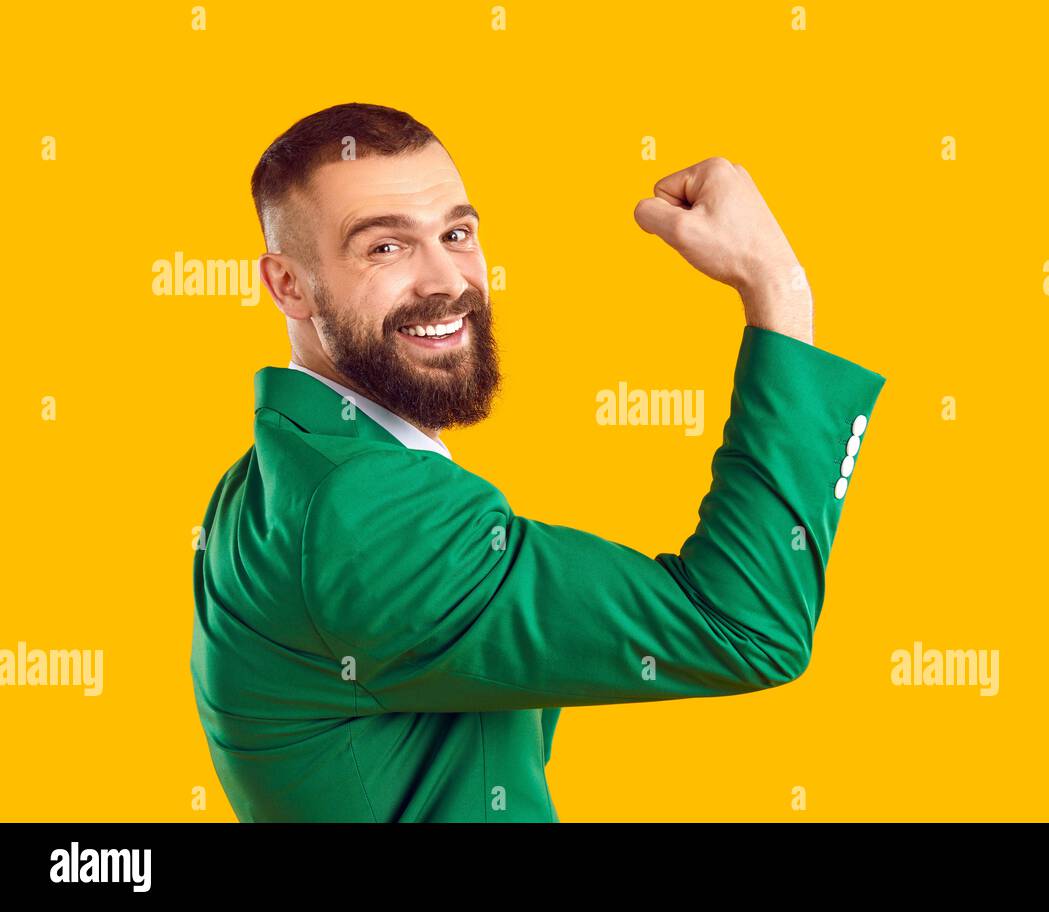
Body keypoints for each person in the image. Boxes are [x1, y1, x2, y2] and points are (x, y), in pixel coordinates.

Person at [190, 102, 887, 822]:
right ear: (287, 285)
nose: (445, 281)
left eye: (456, 234)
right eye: (384, 249)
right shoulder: (363, 513)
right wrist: (776, 286)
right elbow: (747, 627)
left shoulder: (278, 472)